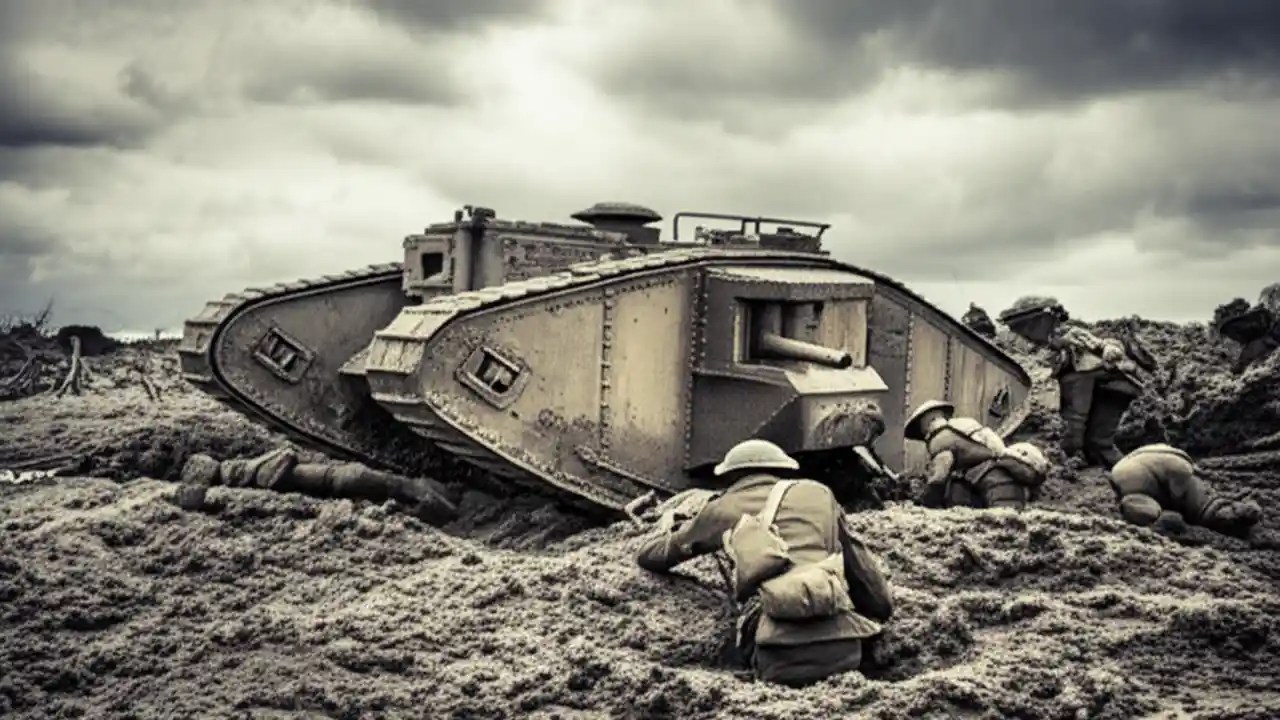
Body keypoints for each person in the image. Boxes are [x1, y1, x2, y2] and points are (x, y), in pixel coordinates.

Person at [634, 439, 894, 687]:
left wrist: (671, 526)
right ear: (782, 470)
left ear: (730, 477)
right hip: (845, 651)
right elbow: (871, 587)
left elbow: (651, 556)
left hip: (776, 655)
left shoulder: (721, 509)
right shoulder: (820, 494)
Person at [999, 299, 1156, 469]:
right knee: (1092, 442)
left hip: (1112, 385)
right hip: (1096, 385)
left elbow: (1101, 344)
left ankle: (1127, 471)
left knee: (1091, 440)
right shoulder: (1016, 342)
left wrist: (1109, 349)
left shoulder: (1070, 335)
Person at [904, 400, 1049, 510]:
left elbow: (938, 478)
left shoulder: (941, 441)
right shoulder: (965, 426)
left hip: (986, 478)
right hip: (988, 478)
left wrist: (926, 502)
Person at [1108, 444, 1261, 538]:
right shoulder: (1135, 489)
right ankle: (1224, 510)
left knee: (1199, 504)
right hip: (1162, 458)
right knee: (1199, 500)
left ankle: (1223, 513)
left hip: (1145, 466)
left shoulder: (1131, 488)